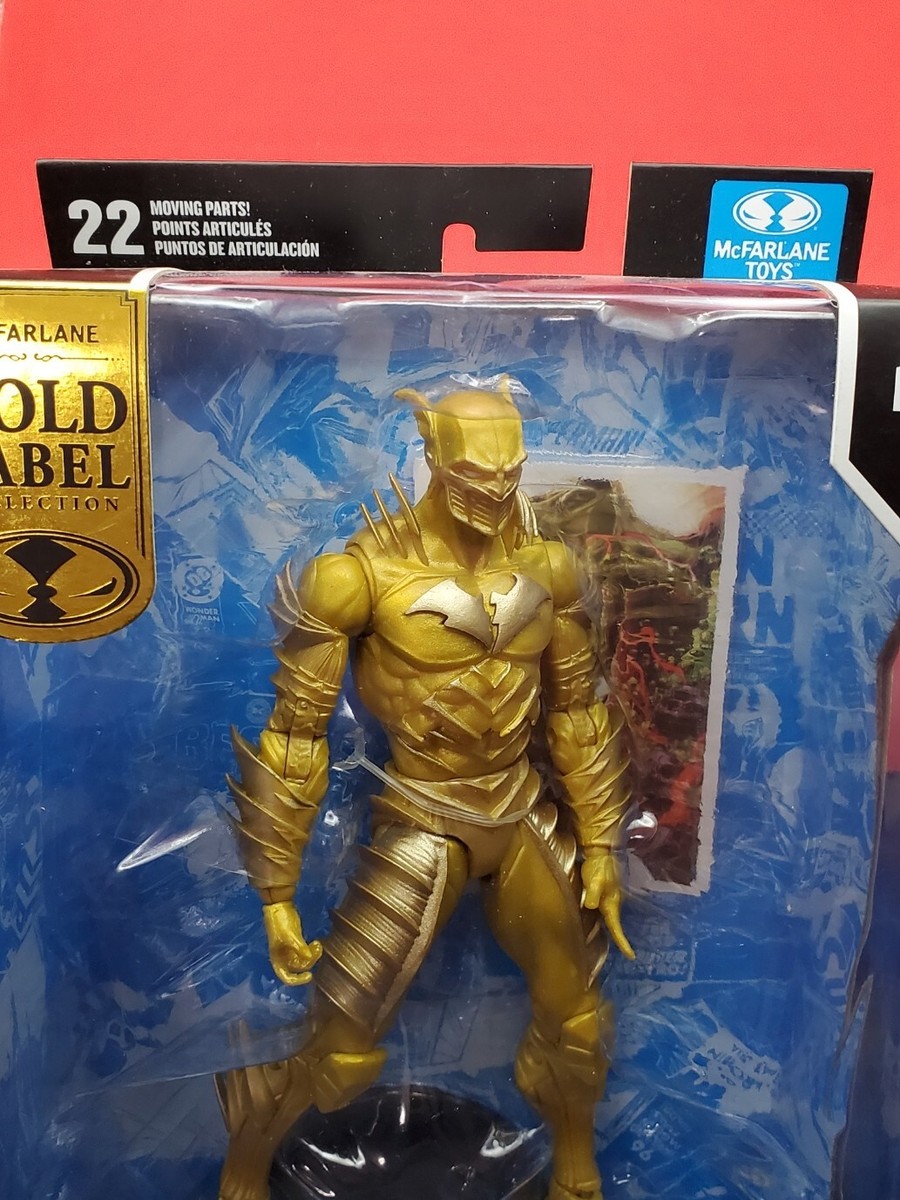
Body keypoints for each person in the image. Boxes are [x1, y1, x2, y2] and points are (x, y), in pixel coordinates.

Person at [218, 383, 633, 1200]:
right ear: (434, 456)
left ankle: (576, 1171)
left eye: (510, 473)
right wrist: (275, 893)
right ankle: (242, 1172)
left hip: (519, 810)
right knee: (338, 1050)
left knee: (579, 1022)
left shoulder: (548, 569)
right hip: (422, 814)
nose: (496, 491)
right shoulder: (355, 577)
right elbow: (296, 735)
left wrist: (603, 845)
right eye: (476, 473)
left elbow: (578, 714)